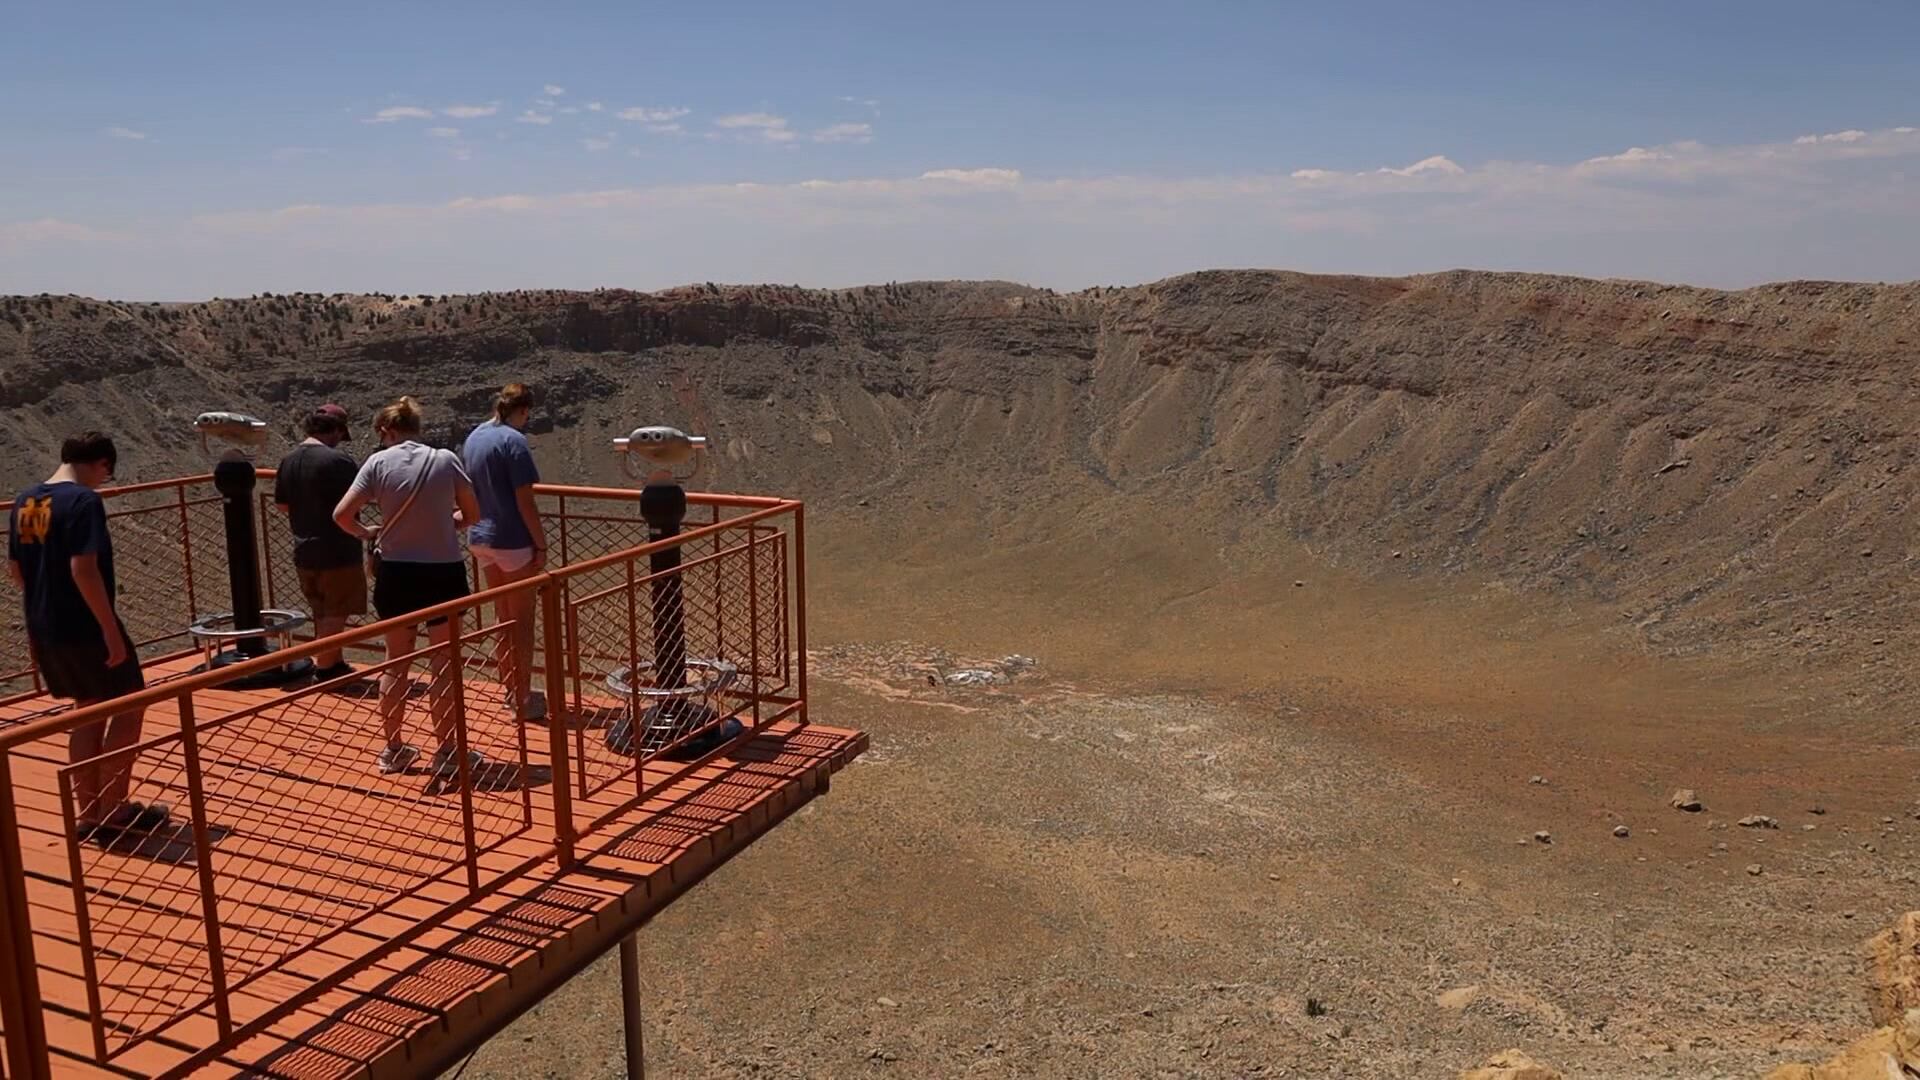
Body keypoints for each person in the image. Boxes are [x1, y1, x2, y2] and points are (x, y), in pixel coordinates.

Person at [7, 433, 167, 847]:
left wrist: (41, 613)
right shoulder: (82, 502)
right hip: (86, 627)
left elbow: (17, 572)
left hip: (45, 626)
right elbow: (84, 569)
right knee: (131, 705)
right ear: (100, 464)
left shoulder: (26, 500)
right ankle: (116, 811)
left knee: (87, 709)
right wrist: (110, 630)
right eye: (105, 473)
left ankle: (88, 814)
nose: (103, 481)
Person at [331, 398, 485, 781]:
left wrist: (368, 532)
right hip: (442, 575)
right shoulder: (446, 460)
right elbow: (473, 514)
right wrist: (444, 523)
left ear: (388, 431)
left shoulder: (378, 464)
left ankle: (394, 749)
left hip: (397, 576)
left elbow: (341, 515)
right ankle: (448, 751)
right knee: (444, 667)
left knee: (396, 664)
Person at [462, 382, 548, 722]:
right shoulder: (515, 441)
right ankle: (523, 699)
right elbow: (525, 501)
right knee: (522, 620)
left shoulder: (474, 437)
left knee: (502, 616)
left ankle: (510, 689)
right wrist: (540, 544)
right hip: (512, 540)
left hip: (480, 537)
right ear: (523, 411)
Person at [273, 404, 364, 679]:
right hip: (338, 550)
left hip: (304, 549)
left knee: (321, 610)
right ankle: (324, 670)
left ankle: (334, 663)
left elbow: (282, 505)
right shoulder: (338, 462)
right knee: (337, 611)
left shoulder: (288, 460)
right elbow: (357, 501)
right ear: (335, 430)